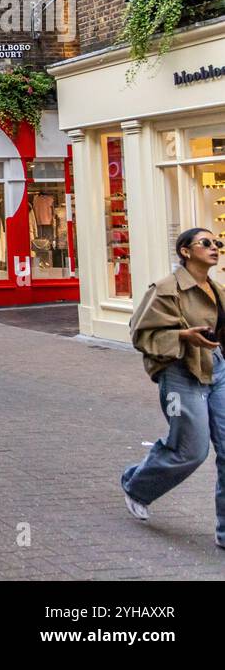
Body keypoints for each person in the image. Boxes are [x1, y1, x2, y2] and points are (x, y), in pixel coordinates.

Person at [120, 228, 225, 547]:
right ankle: (138, 485)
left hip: (217, 371)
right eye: (205, 243)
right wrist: (183, 336)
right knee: (191, 450)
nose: (214, 247)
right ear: (184, 251)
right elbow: (140, 335)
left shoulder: (218, 289)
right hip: (181, 373)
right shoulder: (166, 289)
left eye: (217, 243)